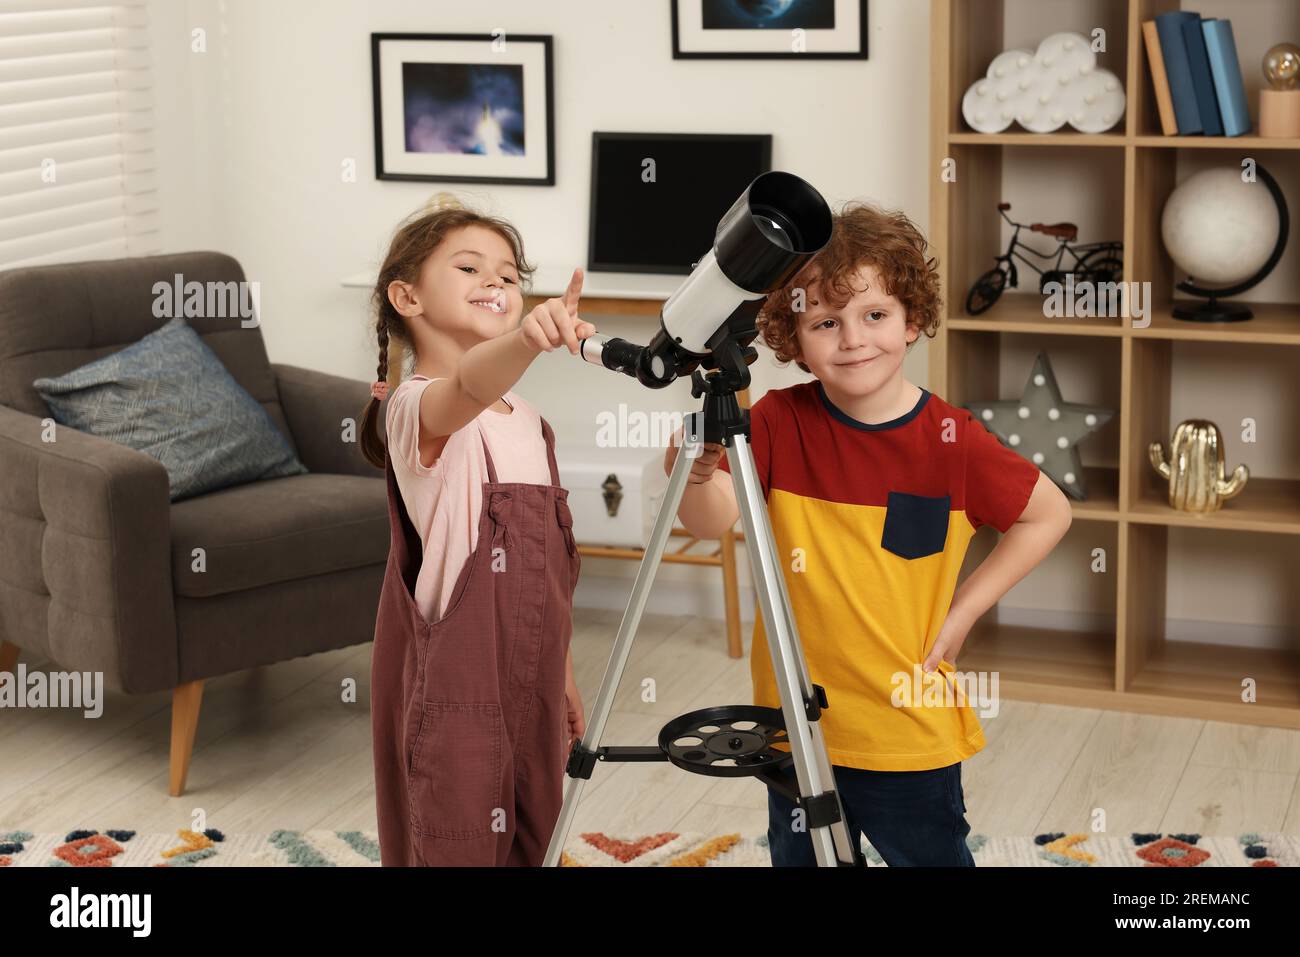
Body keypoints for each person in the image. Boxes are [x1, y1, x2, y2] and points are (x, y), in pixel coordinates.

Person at [665, 201, 1073, 866]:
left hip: (904, 729)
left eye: (874, 315)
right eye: (826, 321)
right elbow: (710, 519)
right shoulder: (774, 421)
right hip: (794, 729)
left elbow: (1048, 512)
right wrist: (692, 468)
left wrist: (964, 611)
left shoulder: (952, 439)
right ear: (794, 336)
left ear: (912, 320)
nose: (852, 338)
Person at [359, 197, 595, 866]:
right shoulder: (416, 408)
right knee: (454, 833)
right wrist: (524, 342)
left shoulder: (529, 421)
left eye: (510, 275)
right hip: (455, 682)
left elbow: (547, 576)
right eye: (470, 267)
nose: (496, 282)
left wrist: (565, 671)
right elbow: (463, 388)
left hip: (534, 672)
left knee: (534, 828)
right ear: (406, 296)